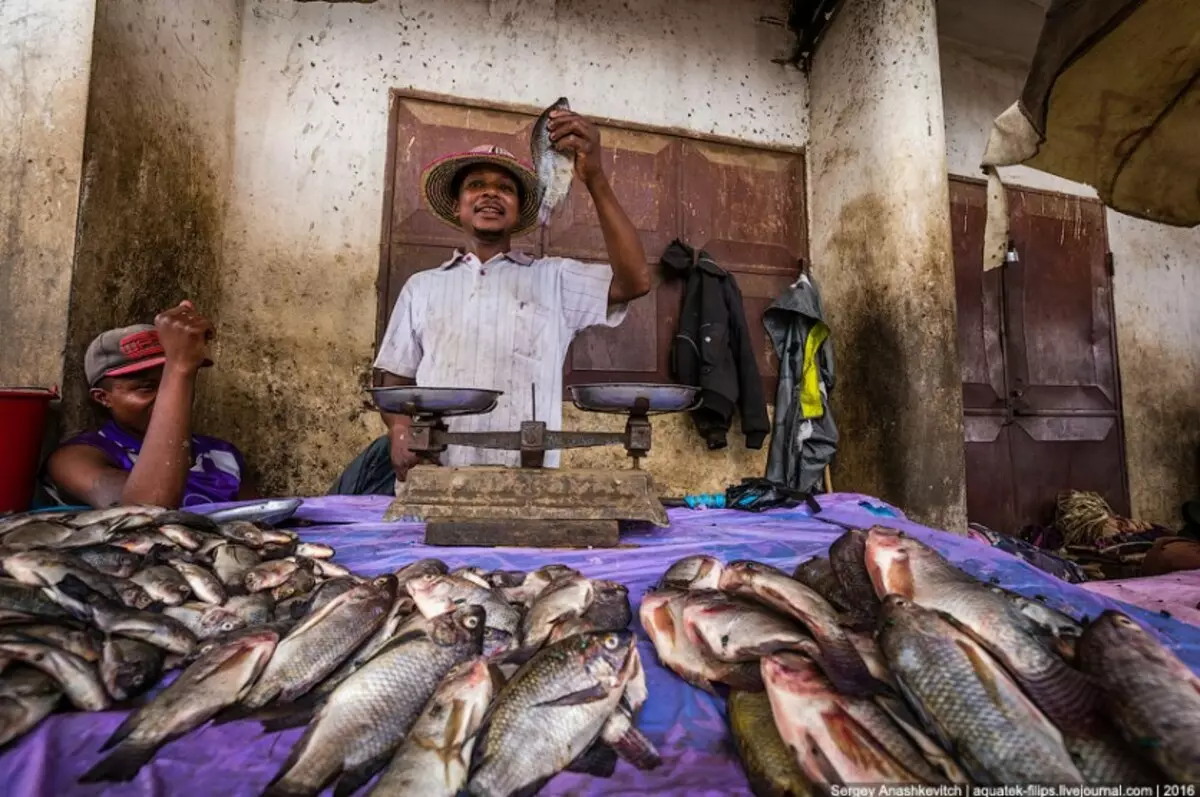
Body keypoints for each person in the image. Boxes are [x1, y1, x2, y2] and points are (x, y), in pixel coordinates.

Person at [333, 108, 651, 494]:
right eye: (476, 185)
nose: (490, 193)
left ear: (517, 210)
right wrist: (400, 429)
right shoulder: (422, 287)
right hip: (434, 481)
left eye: (505, 188)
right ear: (457, 205)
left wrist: (596, 177)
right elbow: (394, 380)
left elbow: (636, 280)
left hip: (528, 484)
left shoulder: (554, 278)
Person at [45, 301, 257, 509]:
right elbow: (147, 510)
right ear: (103, 397)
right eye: (146, 388)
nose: (168, 397)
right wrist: (179, 368)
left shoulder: (222, 455)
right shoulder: (76, 458)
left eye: (175, 385)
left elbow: (261, 524)